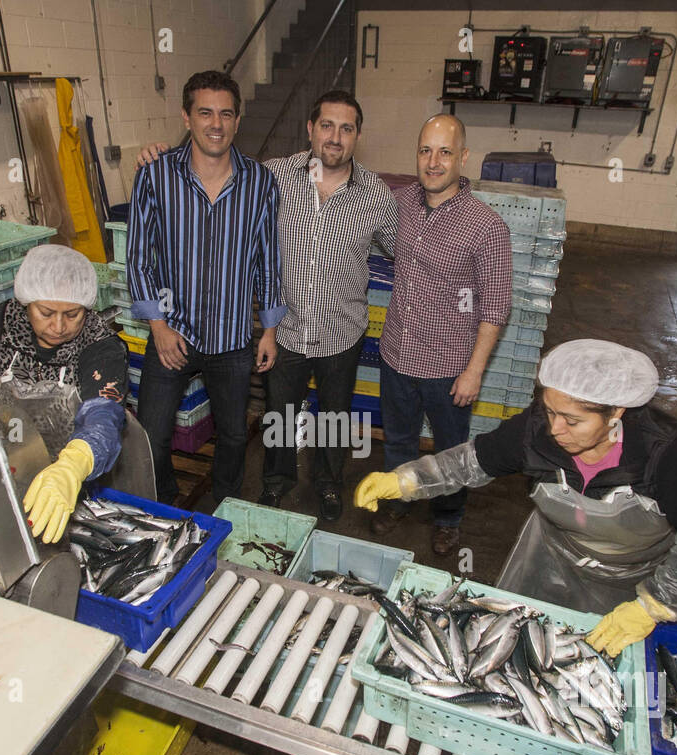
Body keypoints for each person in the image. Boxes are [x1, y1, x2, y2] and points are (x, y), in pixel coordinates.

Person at [355, 339, 677, 657]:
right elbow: (470, 462)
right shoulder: (536, 429)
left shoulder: (670, 456)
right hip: (551, 556)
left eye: (572, 421)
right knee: (514, 647)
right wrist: (406, 480)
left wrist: (654, 605)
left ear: (616, 412)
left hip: (635, 576)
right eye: (551, 411)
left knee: (604, 653)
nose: (555, 429)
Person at [135, 90, 397, 521]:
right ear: (310, 129)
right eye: (326, 126)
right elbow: (216, 167)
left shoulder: (377, 196)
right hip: (287, 329)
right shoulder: (271, 176)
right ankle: (277, 483)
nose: (335, 137)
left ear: (357, 136)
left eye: (346, 128)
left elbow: (403, 250)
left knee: (333, 417)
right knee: (281, 417)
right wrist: (156, 155)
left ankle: (329, 486)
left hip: (342, 330)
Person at [126, 70, 286, 505]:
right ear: (186, 117)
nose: (216, 124)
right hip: (170, 335)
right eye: (205, 113)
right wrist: (158, 326)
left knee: (234, 436)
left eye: (226, 114)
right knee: (150, 437)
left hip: (233, 342)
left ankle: (224, 508)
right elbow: (139, 258)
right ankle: (169, 508)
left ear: (238, 120)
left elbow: (267, 259)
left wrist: (269, 329)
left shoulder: (260, 183)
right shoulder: (155, 175)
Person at [373, 114, 511, 556]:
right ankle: (397, 500)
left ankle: (448, 518)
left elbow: (495, 307)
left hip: (448, 367)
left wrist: (474, 372)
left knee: (451, 452)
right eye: (425, 150)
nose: (433, 162)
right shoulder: (400, 202)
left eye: (445, 152)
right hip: (396, 354)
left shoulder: (487, 227)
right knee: (398, 440)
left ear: (463, 157)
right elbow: (346, 193)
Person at [0, 244, 128, 544]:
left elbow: (103, 418)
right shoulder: (2, 323)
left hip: (76, 475)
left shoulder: (101, 345)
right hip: (13, 456)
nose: (58, 326)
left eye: (72, 314)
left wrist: (70, 468)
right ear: (27, 302)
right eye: (46, 312)